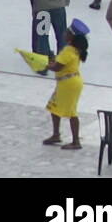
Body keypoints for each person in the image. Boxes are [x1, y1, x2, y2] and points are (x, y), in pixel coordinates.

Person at [43, 19, 89, 150]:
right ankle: (56, 134)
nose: (64, 33)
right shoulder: (74, 50)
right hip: (68, 83)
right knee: (53, 107)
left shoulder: (68, 50)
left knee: (71, 112)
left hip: (68, 84)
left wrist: (46, 65)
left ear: (71, 36)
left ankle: (76, 142)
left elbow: (57, 67)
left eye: (67, 32)